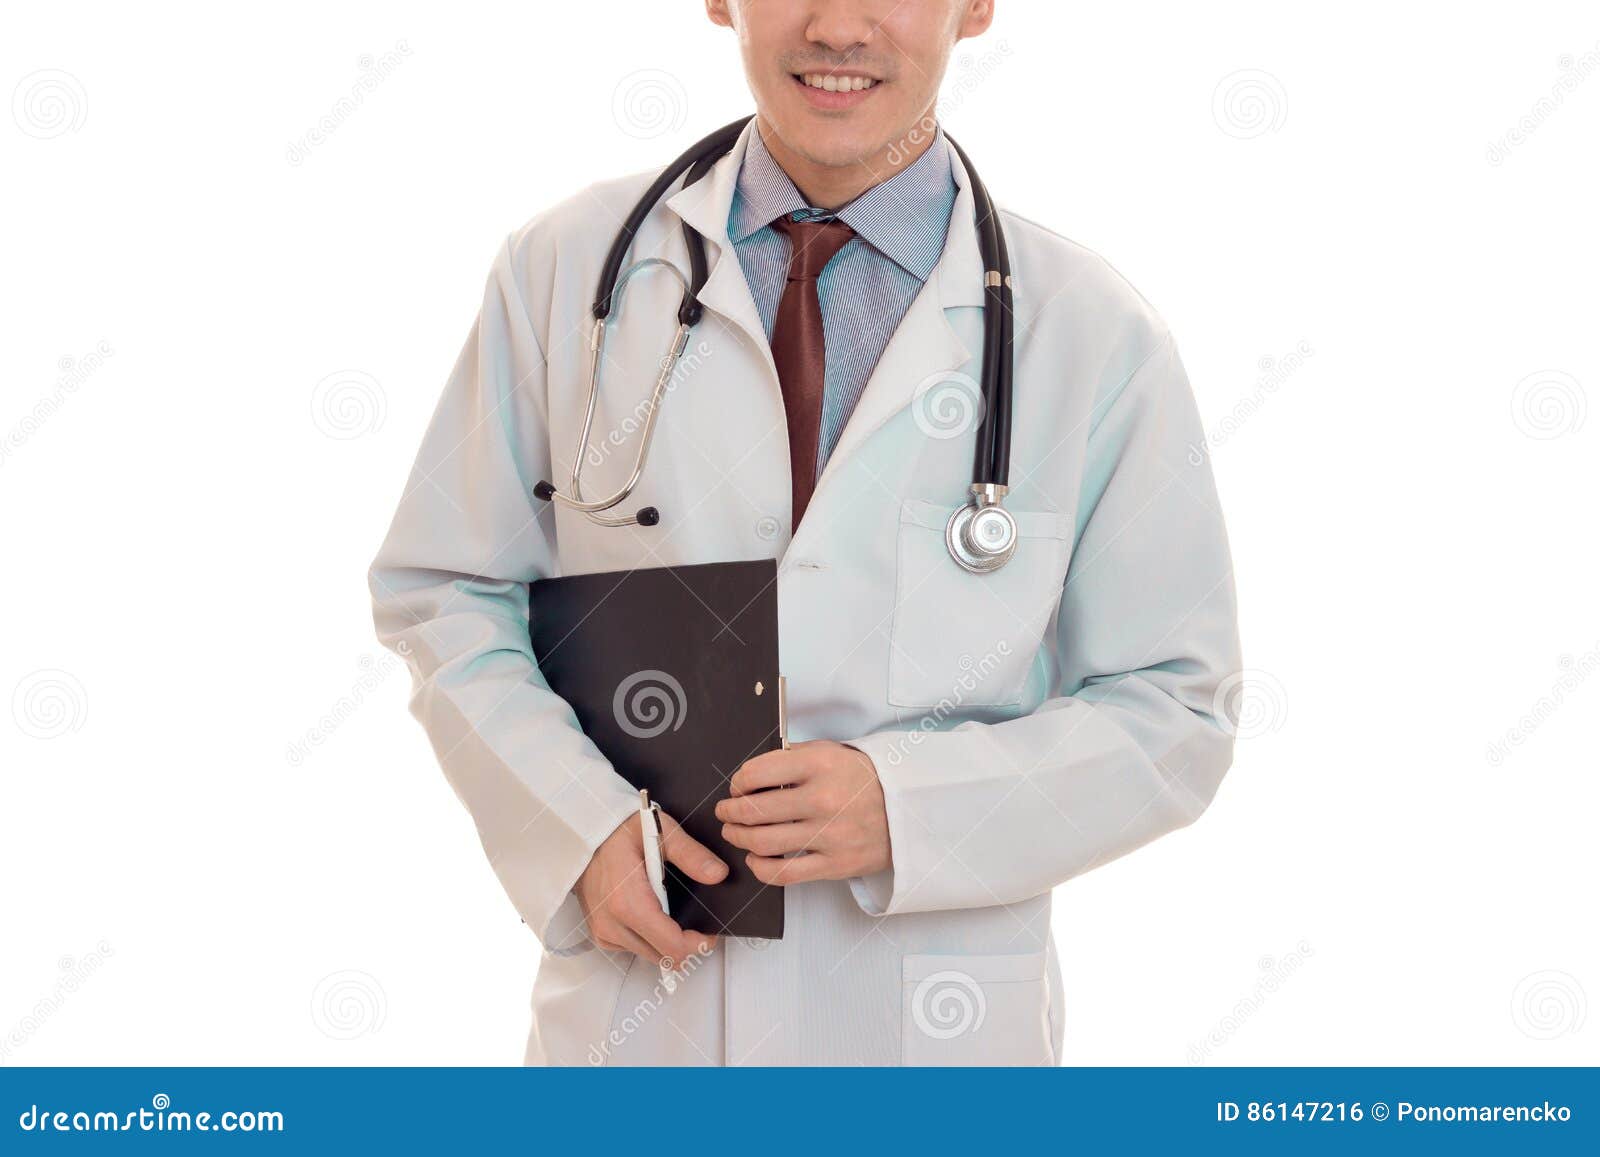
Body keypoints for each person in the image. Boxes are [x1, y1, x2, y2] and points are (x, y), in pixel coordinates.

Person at [369, 0, 1241, 1066]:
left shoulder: (1092, 332)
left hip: (932, 1040)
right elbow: (446, 591)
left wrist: (911, 809)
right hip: (642, 1027)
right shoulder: (563, 271)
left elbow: (1175, 708)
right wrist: (574, 824)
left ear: (976, 6)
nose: (837, 27)